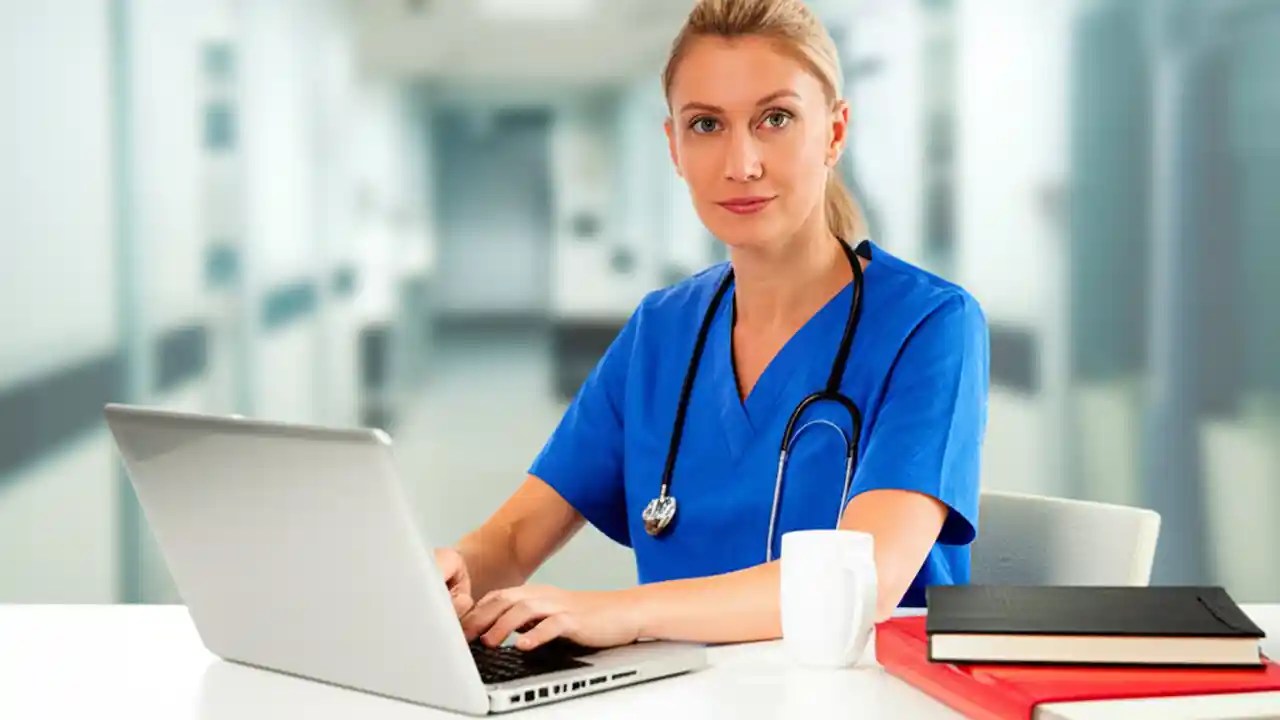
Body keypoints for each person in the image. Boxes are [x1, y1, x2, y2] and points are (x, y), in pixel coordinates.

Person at [436, 0, 989, 652]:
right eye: (706, 125)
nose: (741, 163)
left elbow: (866, 575)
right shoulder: (660, 333)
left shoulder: (929, 325)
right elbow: (512, 538)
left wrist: (623, 613)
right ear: (673, 146)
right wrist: (435, 578)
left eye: (775, 119)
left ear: (835, 133)